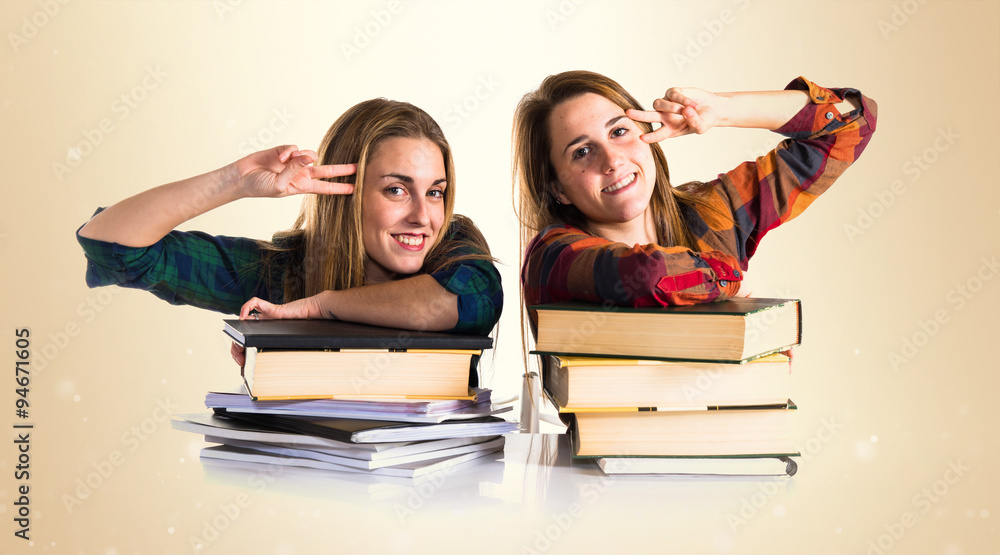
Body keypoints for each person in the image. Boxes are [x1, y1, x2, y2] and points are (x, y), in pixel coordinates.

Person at [77, 99, 503, 367]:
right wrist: (233, 181)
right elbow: (111, 247)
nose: (423, 216)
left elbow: (466, 302)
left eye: (435, 192)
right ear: (344, 196)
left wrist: (318, 308)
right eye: (396, 189)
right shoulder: (281, 276)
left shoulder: (455, 246)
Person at [513, 72, 877, 320]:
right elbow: (648, 276)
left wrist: (722, 111)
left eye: (620, 131)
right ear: (557, 188)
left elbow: (851, 123)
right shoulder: (553, 257)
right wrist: (732, 277)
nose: (612, 160)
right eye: (581, 152)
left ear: (648, 135)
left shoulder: (712, 212)